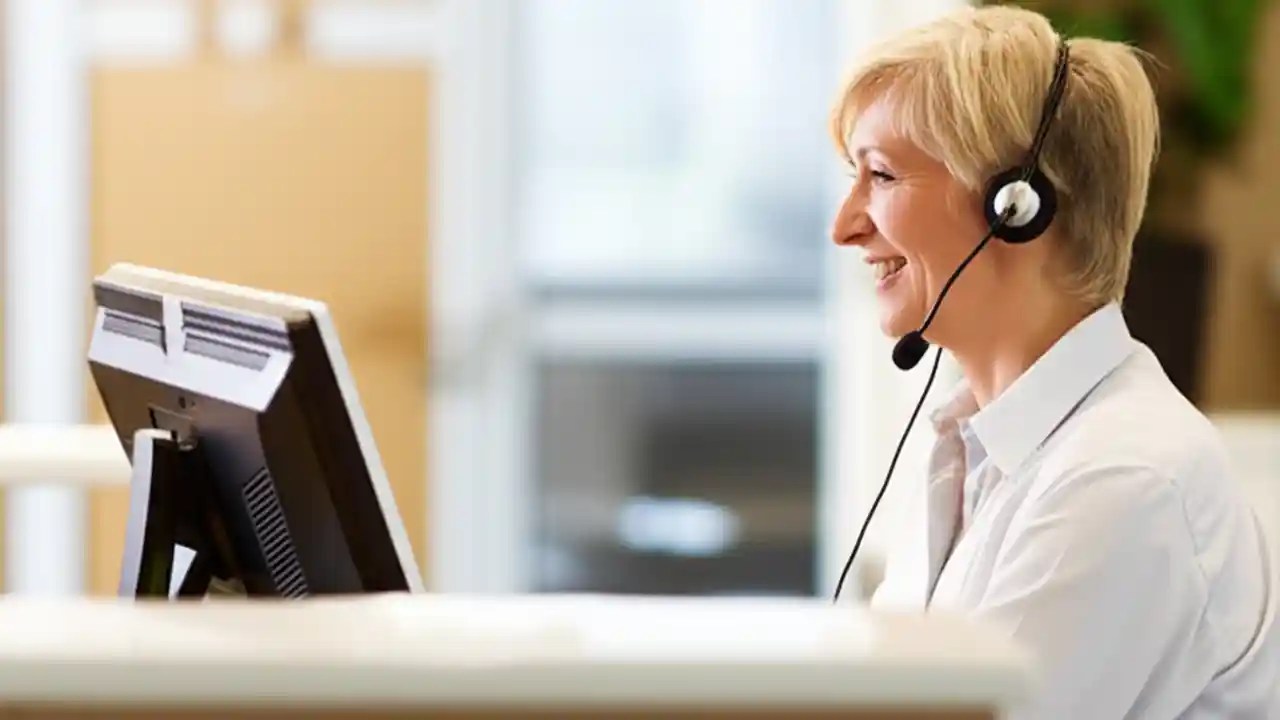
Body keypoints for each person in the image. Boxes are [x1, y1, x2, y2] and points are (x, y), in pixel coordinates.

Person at [828, 5, 1277, 719]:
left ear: (1016, 205)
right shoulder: (974, 453)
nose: (844, 225)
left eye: (880, 175)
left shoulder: (1124, 477)